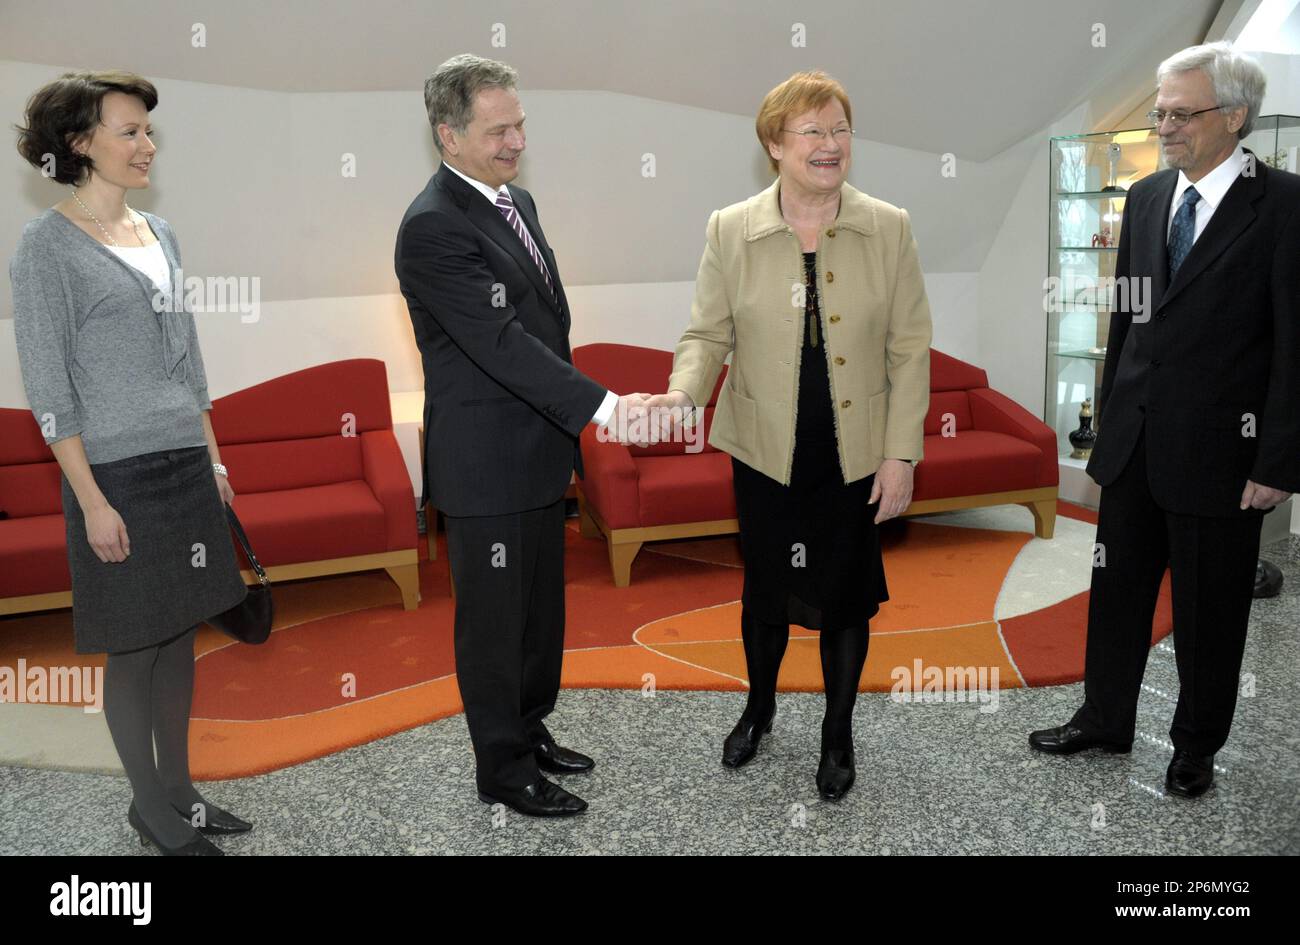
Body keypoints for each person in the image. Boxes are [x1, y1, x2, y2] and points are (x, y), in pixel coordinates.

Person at [639, 71, 932, 800]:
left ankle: (838, 732)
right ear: (774, 144)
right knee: (767, 591)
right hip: (766, 449)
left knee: (846, 594)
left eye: (839, 130)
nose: (830, 146)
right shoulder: (730, 228)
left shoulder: (888, 225)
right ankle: (759, 707)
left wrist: (900, 454)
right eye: (812, 132)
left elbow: (910, 347)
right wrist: (683, 393)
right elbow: (707, 332)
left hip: (854, 450)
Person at [1030, 43, 1299, 797]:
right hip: (1136, 444)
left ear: (1234, 117)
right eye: (1160, 111)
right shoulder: (1147, 197)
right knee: (1117, 595)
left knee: (1210, 612)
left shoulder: (1284, 207)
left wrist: (1278, 461)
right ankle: (1105, 718)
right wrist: (1110, 421)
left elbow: (1295, 347)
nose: (1165, 126)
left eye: (1182, 113)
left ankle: (1193, 747)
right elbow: (1129, 325)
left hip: (1225, 454)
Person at [394, 54, 644, 817]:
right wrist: (602, 406)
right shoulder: (432, 226)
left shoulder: (516, 202)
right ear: (449, 133)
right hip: (484, 466)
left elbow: (546, 323)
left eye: (520, 123)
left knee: (540, 617)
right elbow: (499, 342)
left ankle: (530, 729)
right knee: (495, 627)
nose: (516, 140)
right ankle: (500, 768)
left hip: (536, 453)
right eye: (499, 129)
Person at [11, 72, 252, 853]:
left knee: (181, 632)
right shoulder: (45, 247)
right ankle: (148, 808)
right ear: (79, 143)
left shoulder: (161, 232)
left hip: (185, 461)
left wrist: (213, 459)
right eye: (129, 130)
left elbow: (191, 360)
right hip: (114, 475)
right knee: (134, 643)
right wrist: (90, 498)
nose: (147, 144)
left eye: (148, 131)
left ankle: (179, 793)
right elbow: (49, 387)